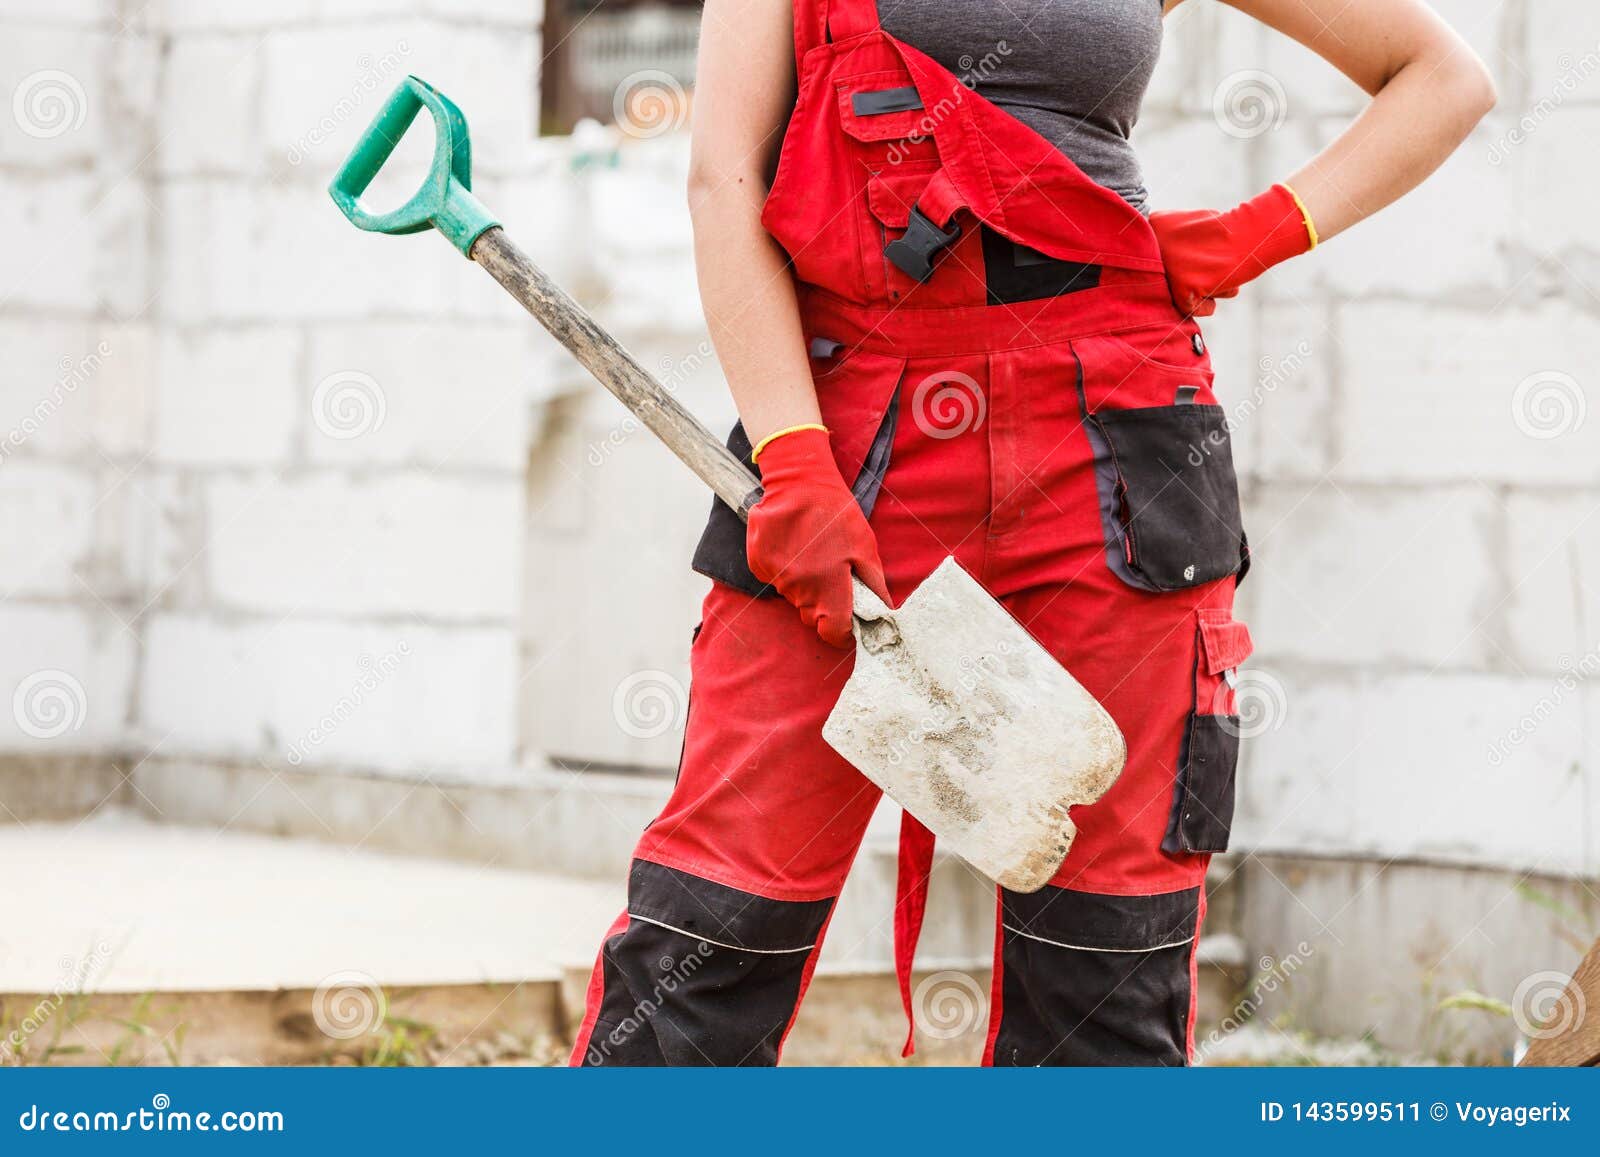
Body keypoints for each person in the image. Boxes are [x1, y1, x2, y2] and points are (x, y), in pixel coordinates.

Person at [571, 0, 1495, 1066]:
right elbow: (723, 178)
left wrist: (1257, 232)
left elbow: (1441, 75)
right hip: (847, 427)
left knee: (1108, 959)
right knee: (714, 916)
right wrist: (792, 456)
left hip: (1115, 443)